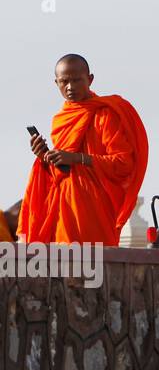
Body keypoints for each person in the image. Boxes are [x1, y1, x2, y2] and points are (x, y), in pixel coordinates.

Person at [20, 54, 148, 245]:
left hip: (95, 209)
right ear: (56, 83)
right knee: (62, 270)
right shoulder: (61, 119)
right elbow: (62, 173)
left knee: (94, 269)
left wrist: (78, 158)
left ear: (90, 79)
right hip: (65, 209)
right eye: (64, 81)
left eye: (76, 80)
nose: (70, 87)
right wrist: (44, 157)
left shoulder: (105, 115)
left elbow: (123, 164)